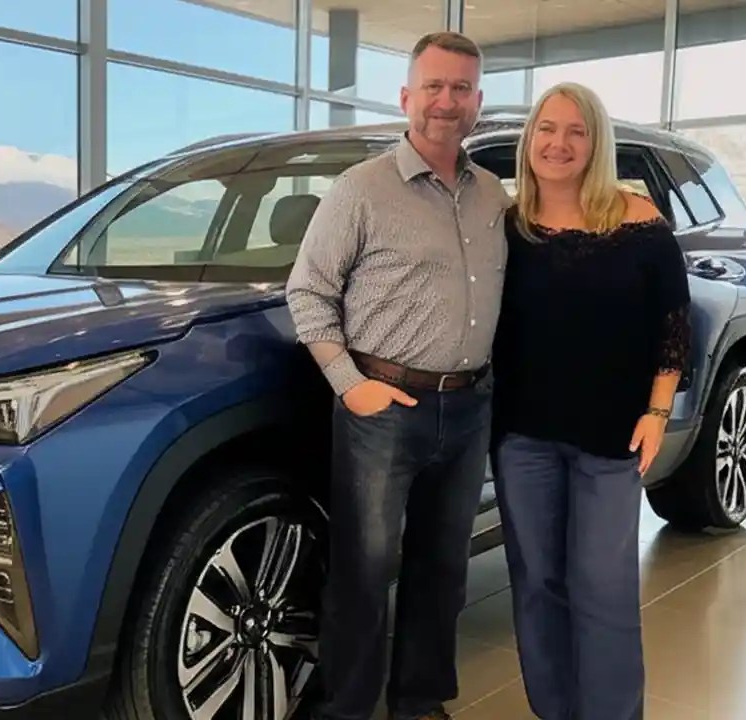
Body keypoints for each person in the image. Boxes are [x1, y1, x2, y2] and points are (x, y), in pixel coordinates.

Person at [286, 31, 511, 720]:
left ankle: (419, 701)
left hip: (469, 405)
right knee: (365, 571)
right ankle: (348, 708)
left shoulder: (491, 194)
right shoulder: (361, 190)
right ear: (407, 97)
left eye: (462, 88)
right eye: (434, 87)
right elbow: (308, 293)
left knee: (442, 565)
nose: (448, 102)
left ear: (478, 101)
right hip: (383, 405)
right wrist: (350, 384)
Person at [489, 81, 692, 720]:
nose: (559, 143)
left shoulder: (638, 222)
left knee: (602, 588)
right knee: (538, 583)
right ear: (530, 140)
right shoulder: (507, 225)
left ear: (596, 143)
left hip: (612, 436)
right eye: (547, 129)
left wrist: (658, 412)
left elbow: (673, 324)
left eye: (576, 131)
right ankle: (554, 709)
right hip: (523, 436)